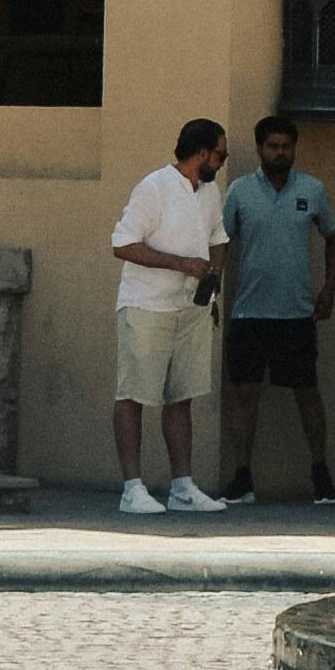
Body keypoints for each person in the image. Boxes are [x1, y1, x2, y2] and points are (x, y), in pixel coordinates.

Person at [216, 110, 335, 505]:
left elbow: (334, 237)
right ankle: (242, 478)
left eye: (286, 146)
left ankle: (321, 473)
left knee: (308, 393)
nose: (280, 152)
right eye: (273, 146)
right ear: (259, 149)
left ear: (294, 149)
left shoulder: (313, 189)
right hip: (249, 312)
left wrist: (329, 288)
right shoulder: (239, 191)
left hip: (297, 312)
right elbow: (220, 244)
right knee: (245, 394)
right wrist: (213, 295)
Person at [109, 119, 231, 514]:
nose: (222, 162)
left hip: (191, 308)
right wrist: (181, 264)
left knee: (181, 397)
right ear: (200, 154)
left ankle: (182, 487)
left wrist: (212, 281)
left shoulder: (210, 192)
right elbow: (123, 244)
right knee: (134, 395)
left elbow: (218, 240)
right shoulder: (154, 187)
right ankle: (132, 488)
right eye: (220, 155)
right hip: (146, 305)